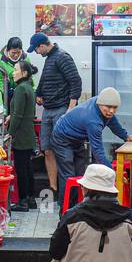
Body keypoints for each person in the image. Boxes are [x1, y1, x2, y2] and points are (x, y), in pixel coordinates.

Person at [47, 88, 129, 214]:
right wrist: (113, 173)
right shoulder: (93, 121)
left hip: (76, 138)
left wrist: (126, 137)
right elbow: (98, 152)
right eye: (108, 107)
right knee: (68, 175)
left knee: (81, 175)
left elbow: (113, 123)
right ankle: (65, 213)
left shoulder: (102, 104)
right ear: (100, 103)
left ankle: (78, 209)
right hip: (62, 138)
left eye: (115, 107)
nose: (112, 111)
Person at [28, 31, 83, 194]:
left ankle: (66, 193)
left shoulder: (62, 57)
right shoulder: (50, 58)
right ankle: (53, 188)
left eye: (36, 49)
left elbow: (76, 82)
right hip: (48, 110)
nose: (37, 52)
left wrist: (70, 110)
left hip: (61, 109)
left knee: (62, 151)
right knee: (47, 150)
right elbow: (44, 79)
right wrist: (38, 94)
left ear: (42, 45)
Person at [7, 59, 37, 211]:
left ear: (24, 73)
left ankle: (23, 201)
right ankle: (31, 199)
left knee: (21, 169)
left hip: (21, 135)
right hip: (28, 133)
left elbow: (18, 115)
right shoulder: (29, 87)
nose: (13, 73)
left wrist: (10, 134)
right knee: (28, 167)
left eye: (16, 70)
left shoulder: (20, 89)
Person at [0, 37, 35, 107]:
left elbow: (30, 77)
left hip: (22, 92)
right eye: (13, 53)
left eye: (18, 52)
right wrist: (6, 93)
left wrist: (32, 91)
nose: (16, 55)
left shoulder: (25, 58)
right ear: (8, 50)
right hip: (6, 94)